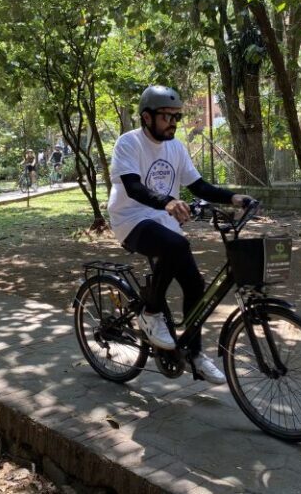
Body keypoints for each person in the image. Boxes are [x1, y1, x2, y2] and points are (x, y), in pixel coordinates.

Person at [107, 85, 251, 385]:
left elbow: (198, 186)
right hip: (130, 219)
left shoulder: (176, 147)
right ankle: (150, 311)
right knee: (176, 245)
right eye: (166, 117)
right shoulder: (128, 143)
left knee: (195, 284)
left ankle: (195, 354)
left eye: (177, 117)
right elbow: (134, 187)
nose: (173, 123)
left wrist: (233, 197)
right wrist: (167, 201)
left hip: (162, 219)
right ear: (147, 118)